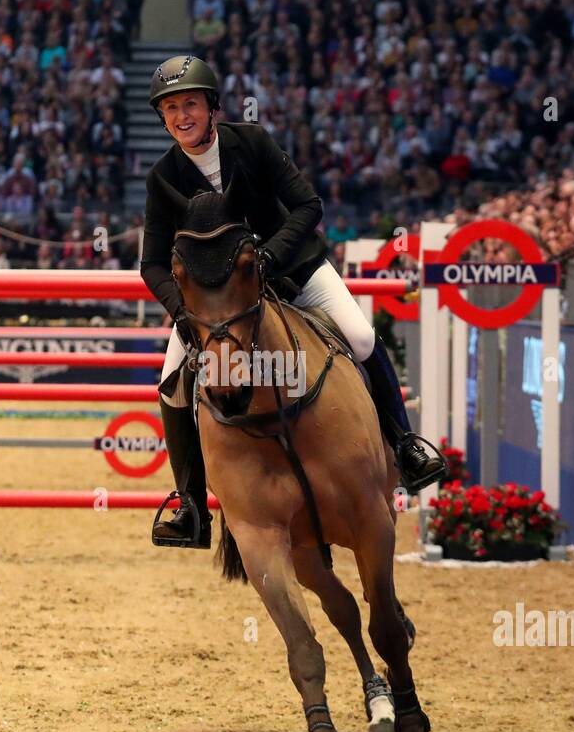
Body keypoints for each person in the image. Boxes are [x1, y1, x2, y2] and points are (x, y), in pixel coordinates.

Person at [140, 55, 446, 549]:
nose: (181, 116)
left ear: (211, 106)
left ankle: (405, 444)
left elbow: (308, 206)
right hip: (218, 304)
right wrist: (184, 313)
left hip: (295, 270)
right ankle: (190, 503)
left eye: (190, 104)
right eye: (171, 108)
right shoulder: (163, 178)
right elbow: (151, 263)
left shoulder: (253, 143)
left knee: (363, 336)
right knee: (172, 384)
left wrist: (268, 260)